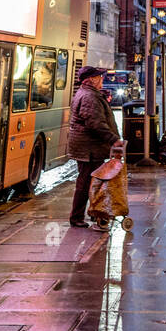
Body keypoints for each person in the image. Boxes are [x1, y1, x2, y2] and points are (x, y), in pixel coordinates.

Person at [67, 66, 121, 230]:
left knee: (91, 181)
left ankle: (94, 212)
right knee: (86, 183)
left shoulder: (89, 94)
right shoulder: (89, 96)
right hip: (88, 148)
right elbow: (95, 124)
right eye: (100, 77)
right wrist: (113, 140)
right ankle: (77, 217)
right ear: (91, 80)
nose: (102, 80)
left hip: (88, 146)